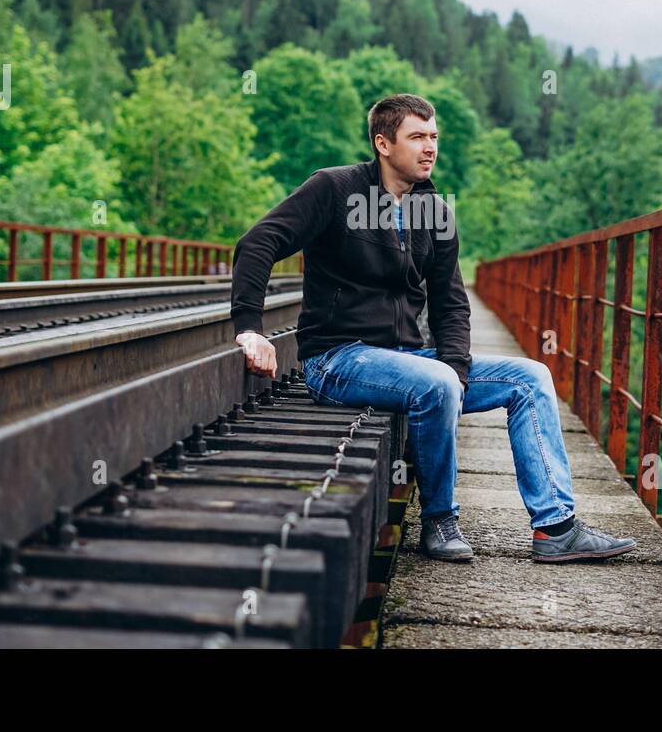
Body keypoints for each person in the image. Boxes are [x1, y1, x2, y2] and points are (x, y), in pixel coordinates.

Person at [230, 92, 636, 563]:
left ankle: (556, 528)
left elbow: (450, 303)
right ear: (383, 143)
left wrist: (457, 372)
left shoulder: (435, 211)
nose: (430, 148)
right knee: (437, 382)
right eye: (417, 137)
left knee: (530, 378)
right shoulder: (334, 189)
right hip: (338, 360)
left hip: (406, 358)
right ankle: (440, 521)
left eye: (434, 137)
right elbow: (258, 242)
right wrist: (250, 328)